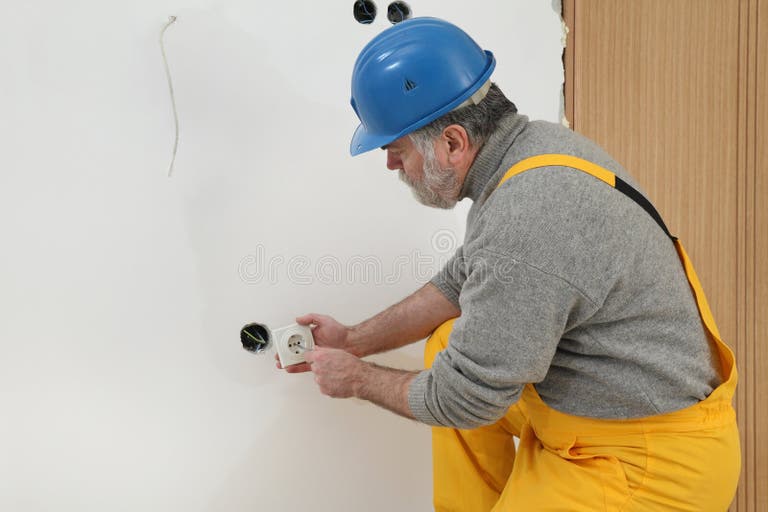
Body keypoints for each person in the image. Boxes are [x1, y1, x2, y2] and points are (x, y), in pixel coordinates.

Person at [278, 17, 740, 511]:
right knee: (447, 344)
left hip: (646, 464)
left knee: (460, 380)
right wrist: (354, 340)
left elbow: (464, 399)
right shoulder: (529, 152)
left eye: (396, 149)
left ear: (453, 143)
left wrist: (358, 380)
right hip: (597, 407)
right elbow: (459, 284)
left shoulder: (528, 213)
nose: (392, 165)